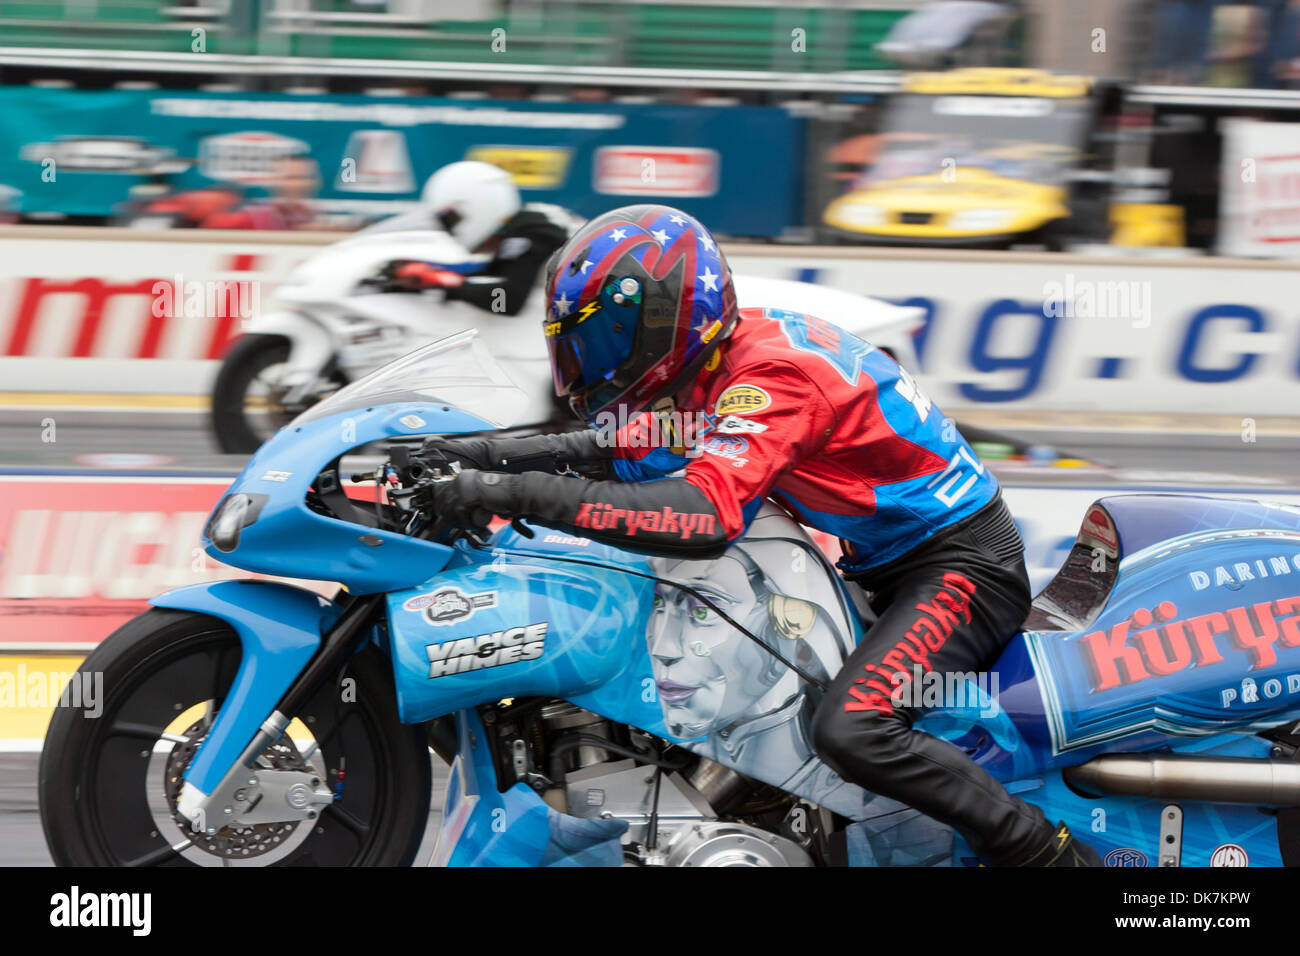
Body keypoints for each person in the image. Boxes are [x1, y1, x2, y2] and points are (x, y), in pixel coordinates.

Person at [414, 203, 1101, 867]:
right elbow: (611, 444)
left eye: (598, 338)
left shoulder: (771, 376)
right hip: (879, 563)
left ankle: (1042, 853)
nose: (588, 360)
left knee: (852, 727)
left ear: (659, 318)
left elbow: (703, 516)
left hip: (961, 567)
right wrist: (473, 456)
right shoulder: (714, 363)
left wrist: (506, 491)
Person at [375, 160, 572, 317]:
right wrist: (429, 278)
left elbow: (506, 301)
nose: (450, 228)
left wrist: (443, 280)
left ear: (478, 205)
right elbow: (491, 276)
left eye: (451, 219)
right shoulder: (523, 229)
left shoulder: (530, 233)